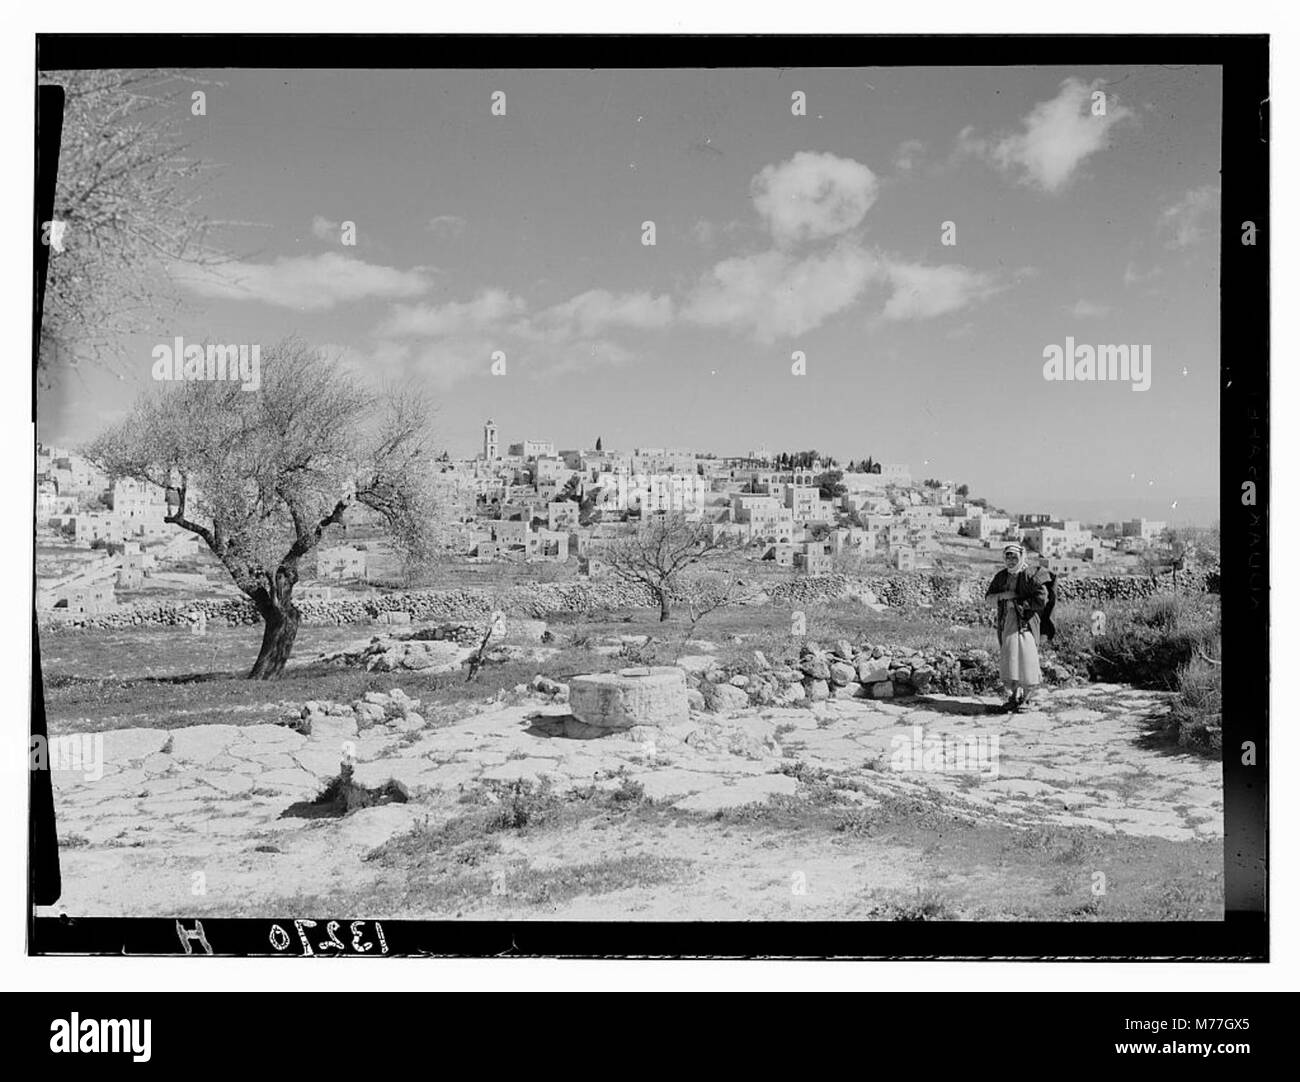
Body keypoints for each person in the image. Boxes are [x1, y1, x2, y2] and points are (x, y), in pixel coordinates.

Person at [985, 542, 1050, 712]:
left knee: (1026, 659)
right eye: (1008, 556)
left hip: (1026, 625)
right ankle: (1014, 696)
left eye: (1015, 556)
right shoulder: (1001, 577)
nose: (1011, 560)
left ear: (1021, 556)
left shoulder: (1031, 575)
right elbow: (989, 599)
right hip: (1006, 624)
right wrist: (1005, 596)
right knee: (1010, 659)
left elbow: (1041, 600)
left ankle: (1027, 699)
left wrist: (1019, 603)